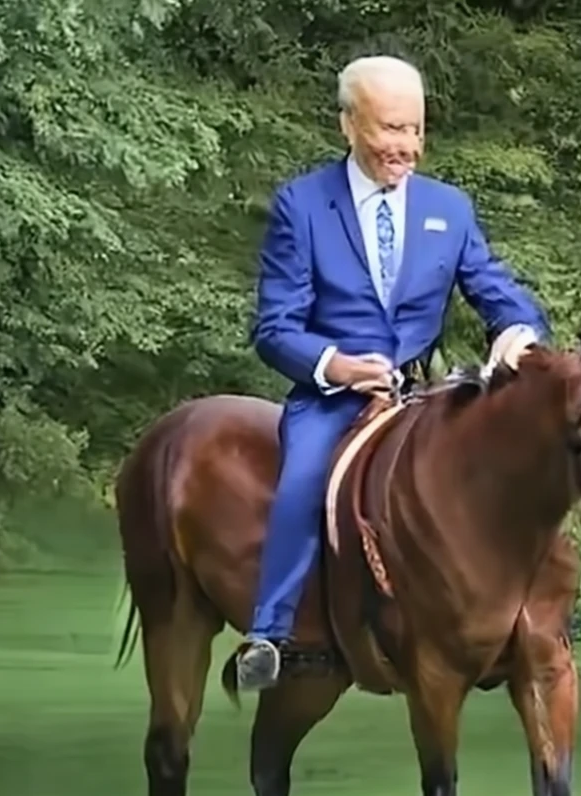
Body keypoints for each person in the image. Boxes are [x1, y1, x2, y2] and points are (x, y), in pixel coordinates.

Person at [236, 54, 550, 692]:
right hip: (332, 398)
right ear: (348, 125)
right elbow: (274, 329)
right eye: (389, 130)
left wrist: (518, 332)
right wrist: (336, 366)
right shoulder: (301, 205)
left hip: (420, 394)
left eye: (414, 130)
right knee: (302, 482)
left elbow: (495, 291)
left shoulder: (450, 209)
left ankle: (519, 618)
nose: (405, 147)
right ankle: (268, 632)